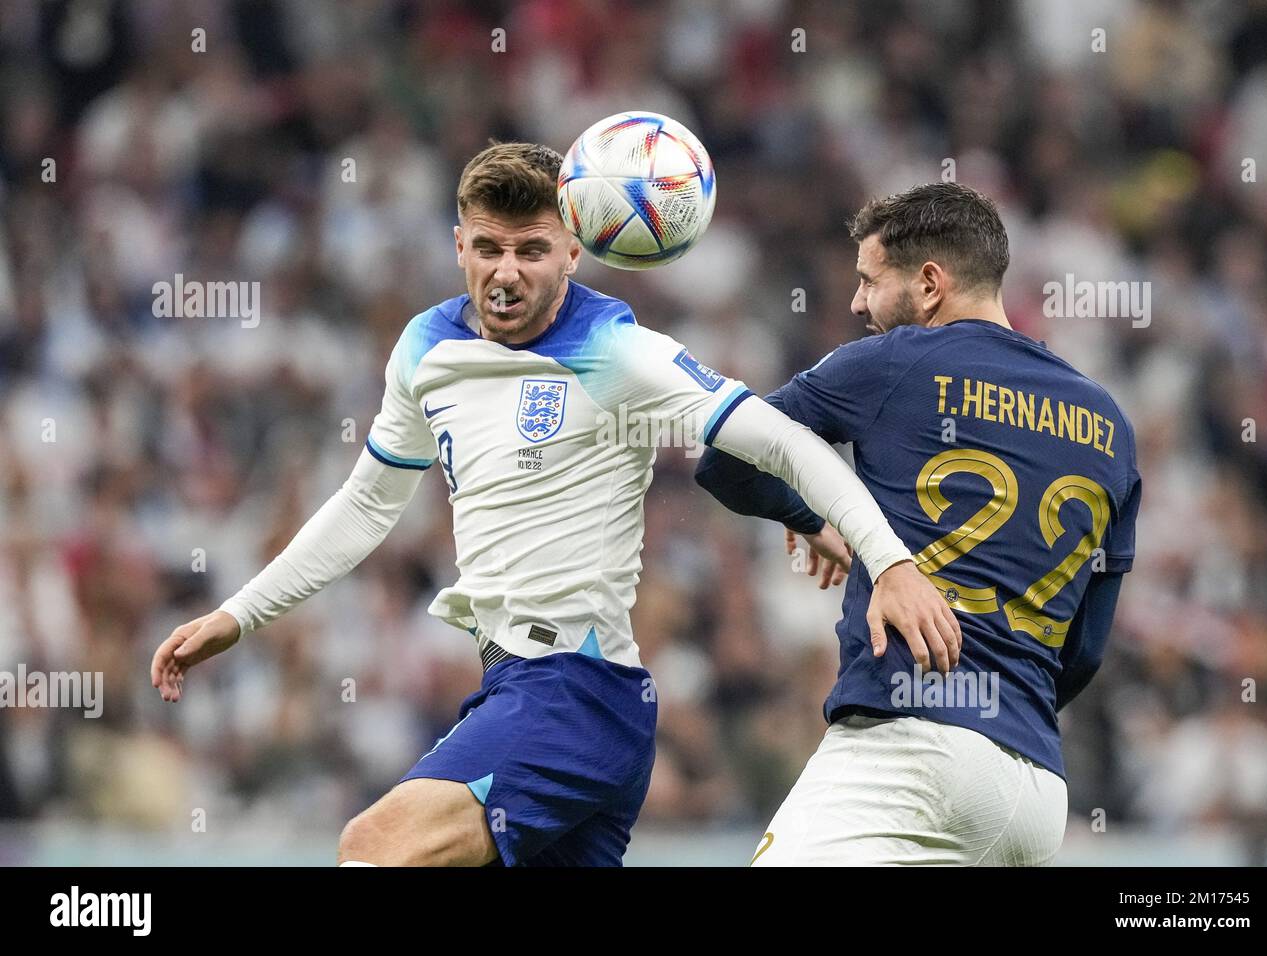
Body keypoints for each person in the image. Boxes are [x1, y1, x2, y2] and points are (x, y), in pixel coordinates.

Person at [149, 142, 958, 867]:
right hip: (523, 689)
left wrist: (887, 561)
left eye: (532, 250)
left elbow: (781, 440)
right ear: (458, 246)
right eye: (488, 249)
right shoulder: (426, 349)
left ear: (574, 250)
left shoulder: (619, 352)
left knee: (376, 848)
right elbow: (366, 506)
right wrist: (238, 616)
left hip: (575, 694)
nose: (507, 272)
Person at [696, 182, 1142, 866]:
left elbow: (725, 457)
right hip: (1035, 788)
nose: (856, 303)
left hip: (910, 751)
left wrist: (805, 515)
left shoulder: (893, 363)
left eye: (869, 281)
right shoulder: (1108, 423)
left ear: (930, 284)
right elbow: (1082, 650)